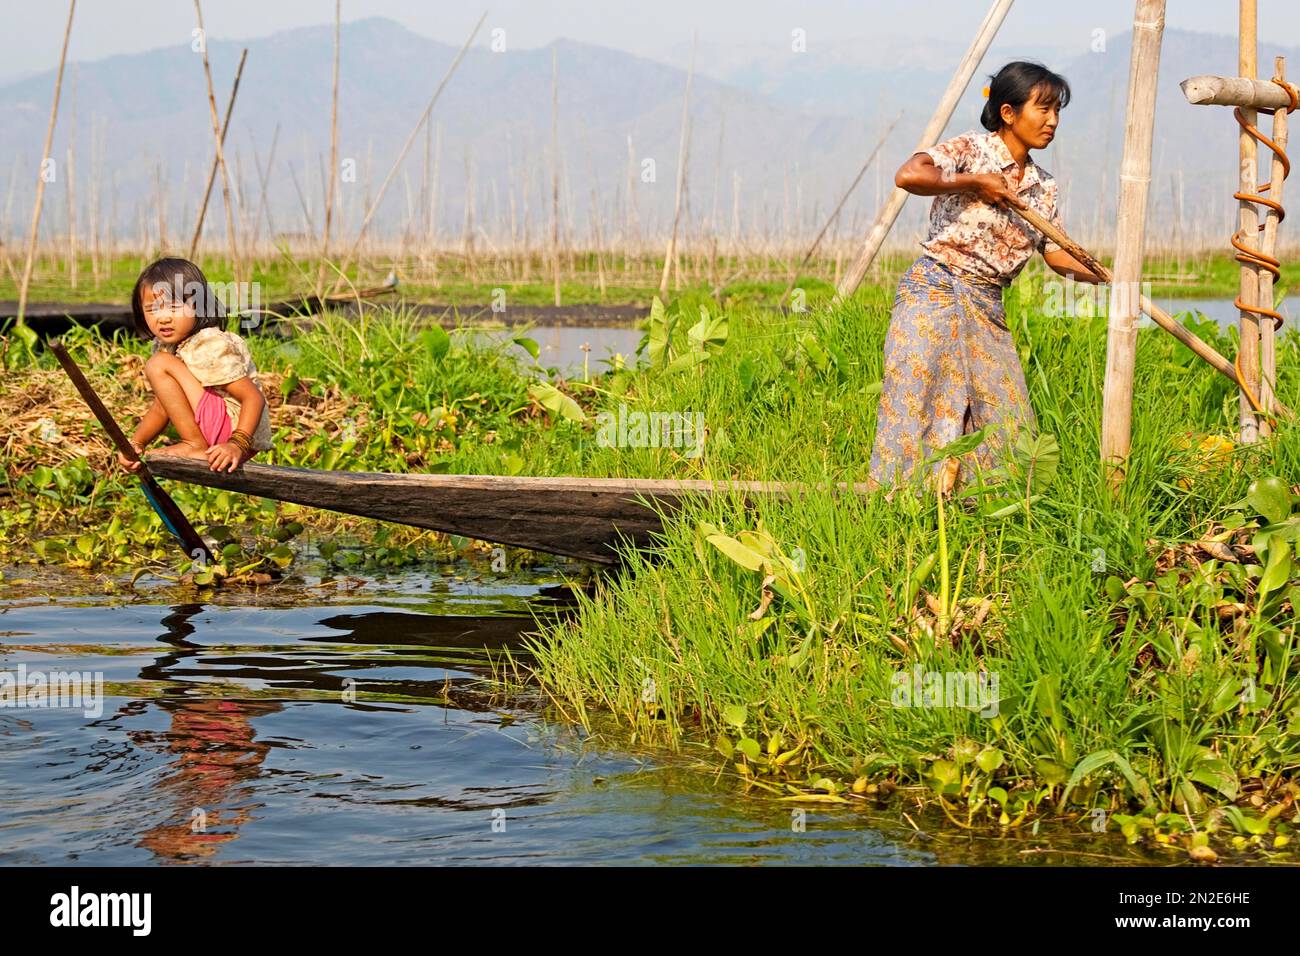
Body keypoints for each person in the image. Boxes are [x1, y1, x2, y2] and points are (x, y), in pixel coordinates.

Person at [868, 61, 1104, 497]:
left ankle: (988, 512)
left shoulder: (1042, 187)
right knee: (914, 399)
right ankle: (900, 505)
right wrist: (976, 182)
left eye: (1057, 112)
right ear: (1009, 113)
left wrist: (1103, 274)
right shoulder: (971, 152)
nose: (1052, 121)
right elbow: (909, 175)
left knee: (1004, 414)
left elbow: (1054, 255)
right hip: (935, 289)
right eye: (1044, 109)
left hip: (986, 301)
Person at [117, 257, 272, 474]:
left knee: (159, 363)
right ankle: (194, 444)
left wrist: (236, 445)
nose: (163, 318)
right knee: (160, 362)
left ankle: (194, 444)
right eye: (152, 310)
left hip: (234, 434)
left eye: (173, 307)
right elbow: (162, 407)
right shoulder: (167, 348)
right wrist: (135, 444)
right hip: (220, 432)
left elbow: (253, 397)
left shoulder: (210, 343)